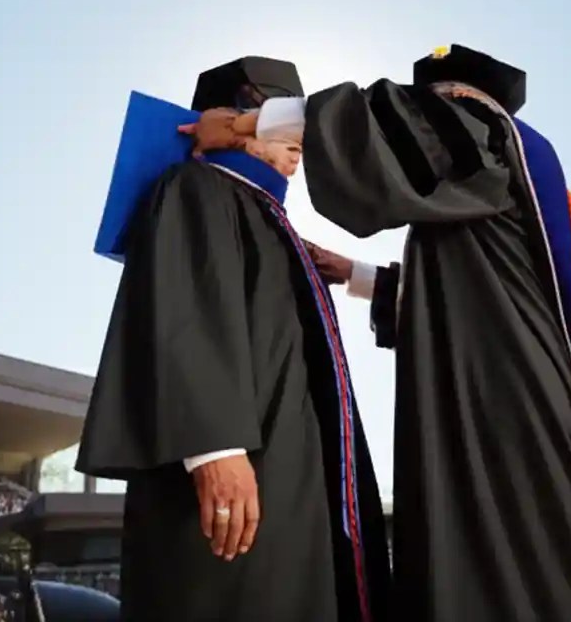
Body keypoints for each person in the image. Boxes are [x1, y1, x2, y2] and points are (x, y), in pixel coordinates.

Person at [188, 45, 571, 621]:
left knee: (521, 572)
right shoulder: (487, 194)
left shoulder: (485, 128)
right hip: (508, 389)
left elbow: (381, 125)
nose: (428, 109)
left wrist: (243, 125)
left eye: (433, 102)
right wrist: (356, 274)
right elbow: (471, 301)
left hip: (512, 408)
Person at [76, 56, 389, 622]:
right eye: (279, 119)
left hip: (291, 471)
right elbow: (186, 312)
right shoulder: (197, 187)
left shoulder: (273, 221)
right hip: (237, 470)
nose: (299, 142)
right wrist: (215, 450)